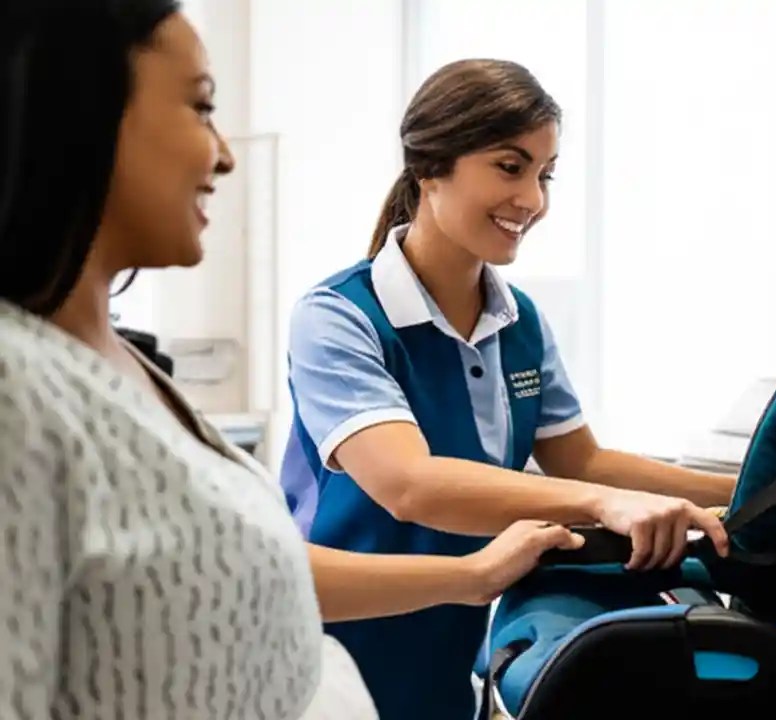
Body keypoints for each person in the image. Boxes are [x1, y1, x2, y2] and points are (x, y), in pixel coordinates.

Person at [0, 3, 586, 718]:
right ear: (80, 115)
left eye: (545, 174)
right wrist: (514, 549)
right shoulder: (16, 391)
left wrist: (476, 577)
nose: (225, 153)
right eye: (200, 106)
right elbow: (410, 483)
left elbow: (249, 569)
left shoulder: (120, 373)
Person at [279, 58, 738, 720]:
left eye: (545, 174)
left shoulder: (518, 321)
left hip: (445, 664)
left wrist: (752, 491)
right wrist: (605, 503)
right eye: (510, 166)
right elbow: (409, 486)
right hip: (325, 668)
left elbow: (582, 460)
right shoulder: (339, 317)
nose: (534, 199)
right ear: (431, 167)